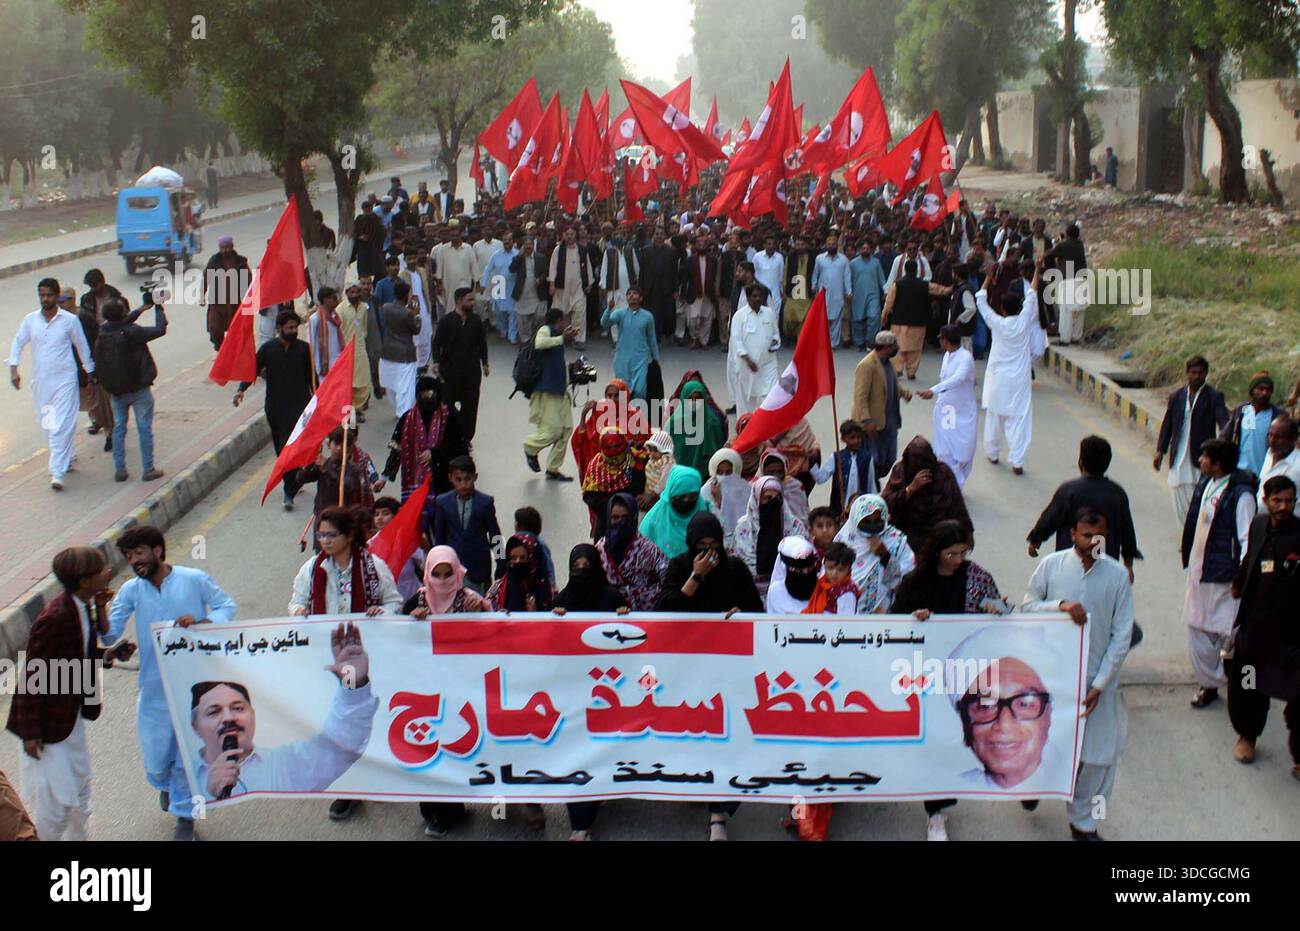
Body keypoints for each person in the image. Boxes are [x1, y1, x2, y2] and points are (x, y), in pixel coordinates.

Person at [103, 525, 237, 840]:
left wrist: (205, 622)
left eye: (139, 553)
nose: (134, 561)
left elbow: (226, 607)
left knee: (186, 755)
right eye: (128, 556)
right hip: (153, 690)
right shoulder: (131, 590)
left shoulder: (193, 579)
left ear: (158, 551)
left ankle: (184, 816)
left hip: (195, 686)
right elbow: (109, 634)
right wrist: (98, 606)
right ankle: (166, 786)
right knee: (157, 756)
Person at [891, 520, 1007, 841]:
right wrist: (914, 619)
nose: (957, 561)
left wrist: (997, 609)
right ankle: (935, 809)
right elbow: (893, 622)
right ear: (936, 553)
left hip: (964, 676)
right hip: (924, 676)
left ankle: (940, 805)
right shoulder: (915, 582)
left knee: (954, 740)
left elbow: (1002, 610)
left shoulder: (977, 577)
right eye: (951, 554)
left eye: (962, 553)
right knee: (932, 740)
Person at [1022, 508, 1134, 841]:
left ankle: (1084, 823)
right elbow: (1026, 606)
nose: (1092, 542)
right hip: (1052, 679)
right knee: (1047, 744)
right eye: (1086, 535)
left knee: (1099, 756)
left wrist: (1100, 683)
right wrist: (1058, 606)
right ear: (1073, 534)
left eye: (1099, 536)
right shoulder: (1051, 566)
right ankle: (1035, 784)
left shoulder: (1117, 577)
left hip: (1096, 684)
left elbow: (1122, 634)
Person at [656, 510, 761, 840]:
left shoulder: (735, 569)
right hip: (686, 667)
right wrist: (696, 576)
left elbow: (757, 610)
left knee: (725, 737)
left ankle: (718, 814)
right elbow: (665, 612)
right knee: (692, 733)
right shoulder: (677, 567)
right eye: (700, 546)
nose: (708, 553)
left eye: (713, 545)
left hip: (727, 668)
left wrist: (740, 614)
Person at [5, 547, 122, 841]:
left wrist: (109, 653)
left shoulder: (80, 607)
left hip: (71, 724)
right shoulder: (55, 618)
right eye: (100, 572)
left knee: (81, 792)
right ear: (84, 581)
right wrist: (31, 733)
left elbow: (79, 655)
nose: (107, 573)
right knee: (55, 808)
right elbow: (33, 676)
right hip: (49, 731)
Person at [191, 624, 378, 804]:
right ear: (195, 726)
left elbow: (341, 746)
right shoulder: (184, 774)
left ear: (253, 716)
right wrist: (212, 794)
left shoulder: (285, 764)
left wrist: (353, 683)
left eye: (238, 708)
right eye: (214, 712)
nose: (229, 718)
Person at [1226, 475, 1299, 776]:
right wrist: (1239, 583)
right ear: (1266, 500)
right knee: (1248, 685)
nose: (1283, 506)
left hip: (1292, 636)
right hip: (1254, 630)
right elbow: (1251, 558)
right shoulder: (1258, 524)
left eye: (1289, 500)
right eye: (1277, 500)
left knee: (1297, 696)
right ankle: (1247, 735)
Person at [1182, 438, 1258, 708]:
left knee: (1233, 631)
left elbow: (1248, 539)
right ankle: (1211, 682)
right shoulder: (1205, 484)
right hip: (1200, 573)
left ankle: (1245, 687)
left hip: (1226, 579)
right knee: (1197, 628)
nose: (1200, 461)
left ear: (1218, 464)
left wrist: (1241, 578)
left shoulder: (1242, 496)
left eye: (1204, 457)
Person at [8, 277, 96, 490]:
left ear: (57, 297)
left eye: (48, 295)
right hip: (41, 383)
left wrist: (91, 374)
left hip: (65, 380)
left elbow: (82, 347)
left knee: (61, 426)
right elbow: (18, 342)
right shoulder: (31, 320)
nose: (45, 299)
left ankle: (56, 472)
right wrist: (14, 368)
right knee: (48, 426)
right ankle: (67, 454)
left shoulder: (69, 321)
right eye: (42, 295)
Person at [1027, 435, 1141, 578]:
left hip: (1070, 566)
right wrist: (1128, 564)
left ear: (1081, 462)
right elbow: (1127, 531)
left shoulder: (1069, 490)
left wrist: (1035, 540)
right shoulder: (1117, 494)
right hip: (1105, 568)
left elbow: (1050, 518)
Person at [235, 308, 313, 509]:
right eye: (290, 327)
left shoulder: (304, 349)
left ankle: (289, 491)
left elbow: (313, 378)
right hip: (275, 407)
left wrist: (320, 399)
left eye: (296, 327)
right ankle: (295, 477)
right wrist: (241, 389)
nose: (294, 330)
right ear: (279, 328)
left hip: (299, 408)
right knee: (281, 449)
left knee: (291, 447)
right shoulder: (268, 349)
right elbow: (253, 369)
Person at [976, 261, 1040, 475]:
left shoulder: (997, 322)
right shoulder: (1024, 321)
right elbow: (1032, 292)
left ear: (1002, 309)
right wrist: (1038, 268)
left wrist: (987, 277)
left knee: (995, 416)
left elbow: (981, 300)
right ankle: (1017, 461)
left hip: (998, 377)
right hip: (1020, 378)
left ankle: (993, 453)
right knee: (1019, 418)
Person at [95, 295, 167, 483]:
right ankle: (148, 468)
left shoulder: (102, 333)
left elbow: (119, 322)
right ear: (123, 314)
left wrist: (141, 309)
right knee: (144, 427)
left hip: (117, 392)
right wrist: (159, 308)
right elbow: (160, 330)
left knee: (119, 428)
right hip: (139, 389)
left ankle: (120, 469)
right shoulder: (132, 332)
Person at [1155, 355, 1230, 526]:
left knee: (1201, 499)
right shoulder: (1177, 396)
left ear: (1206, 374)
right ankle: (1186, 535)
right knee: (1178, 495)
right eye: (1194, 372)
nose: (1197, 376)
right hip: (1178, 456)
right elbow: (1167, 424)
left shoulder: (1214, 396)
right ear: (1187, 373)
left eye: (1201, 373)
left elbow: (1224, 421)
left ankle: (1196, 535)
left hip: (1201, 458)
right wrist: (1160, 451)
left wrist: (1221, 447)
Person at [881, 436, 974, 554]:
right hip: (906, 535)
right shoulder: (900, 471)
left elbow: (956, 504)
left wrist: (968, 533)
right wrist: (910, 489)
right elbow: (885, 503)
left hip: (937, 534)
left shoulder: (942, 472)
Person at [381, 376, 468, 500]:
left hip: (444, 482)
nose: (428, 400)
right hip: (414, 483)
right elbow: (397, 449)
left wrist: (435, 454)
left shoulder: (450, 417)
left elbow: (460, 448)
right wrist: (384, 477)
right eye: (424, 395)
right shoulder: (407, 419)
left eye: (431, 395)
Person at [522, 307, 579, 481]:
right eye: (564, 322)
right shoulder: (545, 330)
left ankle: (553, 468)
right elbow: (540, 343)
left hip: (561, 391)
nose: (565, 325)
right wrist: (563, 338)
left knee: (566, 429)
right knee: (553, 431)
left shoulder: (556, 338)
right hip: (549, 391)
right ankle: (530, 447)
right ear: (559, 321)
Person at [833, 494, 915, 613]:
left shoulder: (896, 541)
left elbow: (908, 581)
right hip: (847, 617)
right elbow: (829, 579)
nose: (872, 525)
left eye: (877, 521)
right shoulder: (843, 541)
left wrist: (885, 557)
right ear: (855, 519)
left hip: (886, 617)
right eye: (866, 521)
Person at [918, 325, 977, 487]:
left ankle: (956, 484)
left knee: (963, 450)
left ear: (945, 340)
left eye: (941, 339)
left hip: (963, 412)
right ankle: (951, 487)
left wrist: (933, 390)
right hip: (946, 410)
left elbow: (958, 378)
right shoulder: (947, 356)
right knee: (944, 451)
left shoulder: (965, 358)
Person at [733, 476, 810, 594]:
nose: (773, 502)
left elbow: (803, 558)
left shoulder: (794, 526)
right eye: (767, 498)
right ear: (757, 498)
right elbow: (739, 563)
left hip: (787, 592)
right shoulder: (744, 527)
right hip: (749, 593)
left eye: (778, 497)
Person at [852, 331, 911, 480]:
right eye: (894, 346)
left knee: (889, 459)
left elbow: (891, 384)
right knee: (874, 461)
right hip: (874, 424)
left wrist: (903, 393)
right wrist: (867, 421)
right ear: (885, 347)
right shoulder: (866, 366)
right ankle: (868, 487)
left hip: (889, 422)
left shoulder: (887, 362)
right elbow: (860, 397)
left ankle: (872, 483)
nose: (897, 348)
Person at [432, 287, 489, 441]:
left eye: (473, 299)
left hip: (471, 374)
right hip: (450, 374)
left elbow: (482, 343)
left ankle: (465, 439)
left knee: (470, 410)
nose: (473, 303)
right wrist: (436, 362)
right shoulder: (446, 321)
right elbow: (436, 343)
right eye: (469, 300)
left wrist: (485, 362)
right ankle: (448, 435)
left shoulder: (476, 321)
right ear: (459, 301)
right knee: (446, 406)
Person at [596, 492, 669, 611]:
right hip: (608, 613)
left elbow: (667, 578)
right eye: (615, 518)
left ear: (633, 517)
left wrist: (645, 596)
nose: (620, 522)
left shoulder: (648, 548)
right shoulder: (600, 548)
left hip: (643, 614)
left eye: (625, 517)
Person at [882, 259, 952, 379]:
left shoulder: (897, 284)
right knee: (915, 349)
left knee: (898, 346)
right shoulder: (924, 285)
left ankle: (898, 369)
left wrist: (884, 316)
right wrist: (952, 287)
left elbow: (889, 302)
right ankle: (911, 371)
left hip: (899, 321)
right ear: (916, 270)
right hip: (918, 322)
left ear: (905, 269)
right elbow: (941, 290)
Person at [728, 284, 782, 417]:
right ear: (748, 297)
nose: (758, 299)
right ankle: (745, 431)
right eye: (754, 296)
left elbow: (776, 334)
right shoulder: (739, 316)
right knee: (746, 404)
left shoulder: (769, 313)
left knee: (770, 399)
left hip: (768, 365)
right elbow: (736, 340)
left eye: (760, 296)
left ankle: (768, 429)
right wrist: (748, 359)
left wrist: (775, 342)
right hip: (747, 367)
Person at [1222, 372, 1286, 478]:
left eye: (1268, 390)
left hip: (1265, 474)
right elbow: (1225, 437)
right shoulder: (1242, 411)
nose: (1265, 393)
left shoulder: (1278, 416)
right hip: (1239, 472)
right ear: (1252, 391)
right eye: (1260, 389)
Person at [640, 464, 711, 560]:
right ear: (670, 495)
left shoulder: (707, 514)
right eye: (681, 496)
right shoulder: (653, 520)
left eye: (692, 497)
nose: (686, 500)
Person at [667, 372, 729, 481]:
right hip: (680, 477)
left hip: (707, 477)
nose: (694, 402)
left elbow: (718, 449)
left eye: (698, 398)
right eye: (690, 398)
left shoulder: (712, 422)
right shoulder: (673, 423)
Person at [404, 546, 493, 616]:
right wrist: (412, 619)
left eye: (448, 575)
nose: (442, 580)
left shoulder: (469, 599)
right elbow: (401, 629)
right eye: (436, 575)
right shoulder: (417, 601)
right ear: (428, 574)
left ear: (456, 574)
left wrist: (477, 612)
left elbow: (487, 628)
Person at [202, 237, 250, 350]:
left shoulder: (241, 261)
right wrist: (201, 295)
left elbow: (249, 280)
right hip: (218, 302)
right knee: (214, 327)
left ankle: (235, 350)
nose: (224, 250)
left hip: (236, 302)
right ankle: (220, 347)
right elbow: (206, 278)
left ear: (232, 246)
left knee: (237, 328)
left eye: (226, 247)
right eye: (221, 248)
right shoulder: (214, 260)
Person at [1043, 224, 1088, 345]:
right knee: (1079, 310)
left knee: (1066, 310)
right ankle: (1076, 337)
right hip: (1082, 278)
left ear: (1066, 233)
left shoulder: (1063, 245)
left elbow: (1048, 254)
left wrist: (1057, 242)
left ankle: (1064, 338)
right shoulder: (1080, 244)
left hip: (1069, 279)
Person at [487, 532, 554, 611]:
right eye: (513, 558)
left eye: (523, 558)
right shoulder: (498, 589)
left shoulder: (546, 589)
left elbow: (552, 618)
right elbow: (487, 613)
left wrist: (536, 614)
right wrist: (500, 617)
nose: (517, 562)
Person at [335, 282, 374, 417]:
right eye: (352, 292)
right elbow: (338, 332)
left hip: (360, 350)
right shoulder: (341, 309)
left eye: (357, 292)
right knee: (349, 386)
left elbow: (364, 329)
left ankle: (357, 410)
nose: (355, 295)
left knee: (363, 383)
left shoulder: (363, 307)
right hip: (347, 352)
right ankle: (350, 418)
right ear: (346, 293)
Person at [703, 447, 751, 550]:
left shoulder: (746, 491)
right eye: (720, 472)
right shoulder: (705, 492)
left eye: (728, 472)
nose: (724, 477)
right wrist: (718, 503)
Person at [812, 232, 853, 348]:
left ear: (837, 245)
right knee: (822, 319)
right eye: (828, 244)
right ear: (826, 245)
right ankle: (822, 343)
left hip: (837, 293)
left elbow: (847, 276)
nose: (831, 246)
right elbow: (815, 274)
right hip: (822, 293)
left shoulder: (843, 259)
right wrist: (813, 285)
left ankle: (833, 344)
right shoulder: (819, 259)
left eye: (833, 244)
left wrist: (849, 291)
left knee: (836, 319)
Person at [1256, 415, 1300, 514]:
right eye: (1270, 435)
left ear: (1292, 439)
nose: (1272, 440)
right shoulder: (1269, 454)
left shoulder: (1297, 466)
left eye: (1278, 437)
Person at [764, 536, 819, 613]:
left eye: (809, 568)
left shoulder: (824, 588)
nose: (806, 573)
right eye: (799, 570)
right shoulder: (775, 592)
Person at [849, 239, 886, 350]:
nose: (865, 250)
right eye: (863, 248)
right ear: (860, 250)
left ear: (871, 250)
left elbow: (881, 279)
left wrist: (885, 291)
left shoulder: (876, 262)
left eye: (868, 248)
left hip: (873, 294)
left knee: (874, 316)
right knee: (858, 319)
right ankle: (859, 342)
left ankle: (871, 341)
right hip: (858, 295)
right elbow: (849, 280)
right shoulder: (853, 263)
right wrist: (849, 292)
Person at [752, 234, 786, 318]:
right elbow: (753, 274)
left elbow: (781, 276)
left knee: (774, 319)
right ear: (764, 245)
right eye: (769, 244)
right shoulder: (757, 257)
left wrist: (783, 293)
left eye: (773, 244)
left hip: (775, 295)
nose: (771, 246)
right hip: (760, 294)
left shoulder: (779, 257)